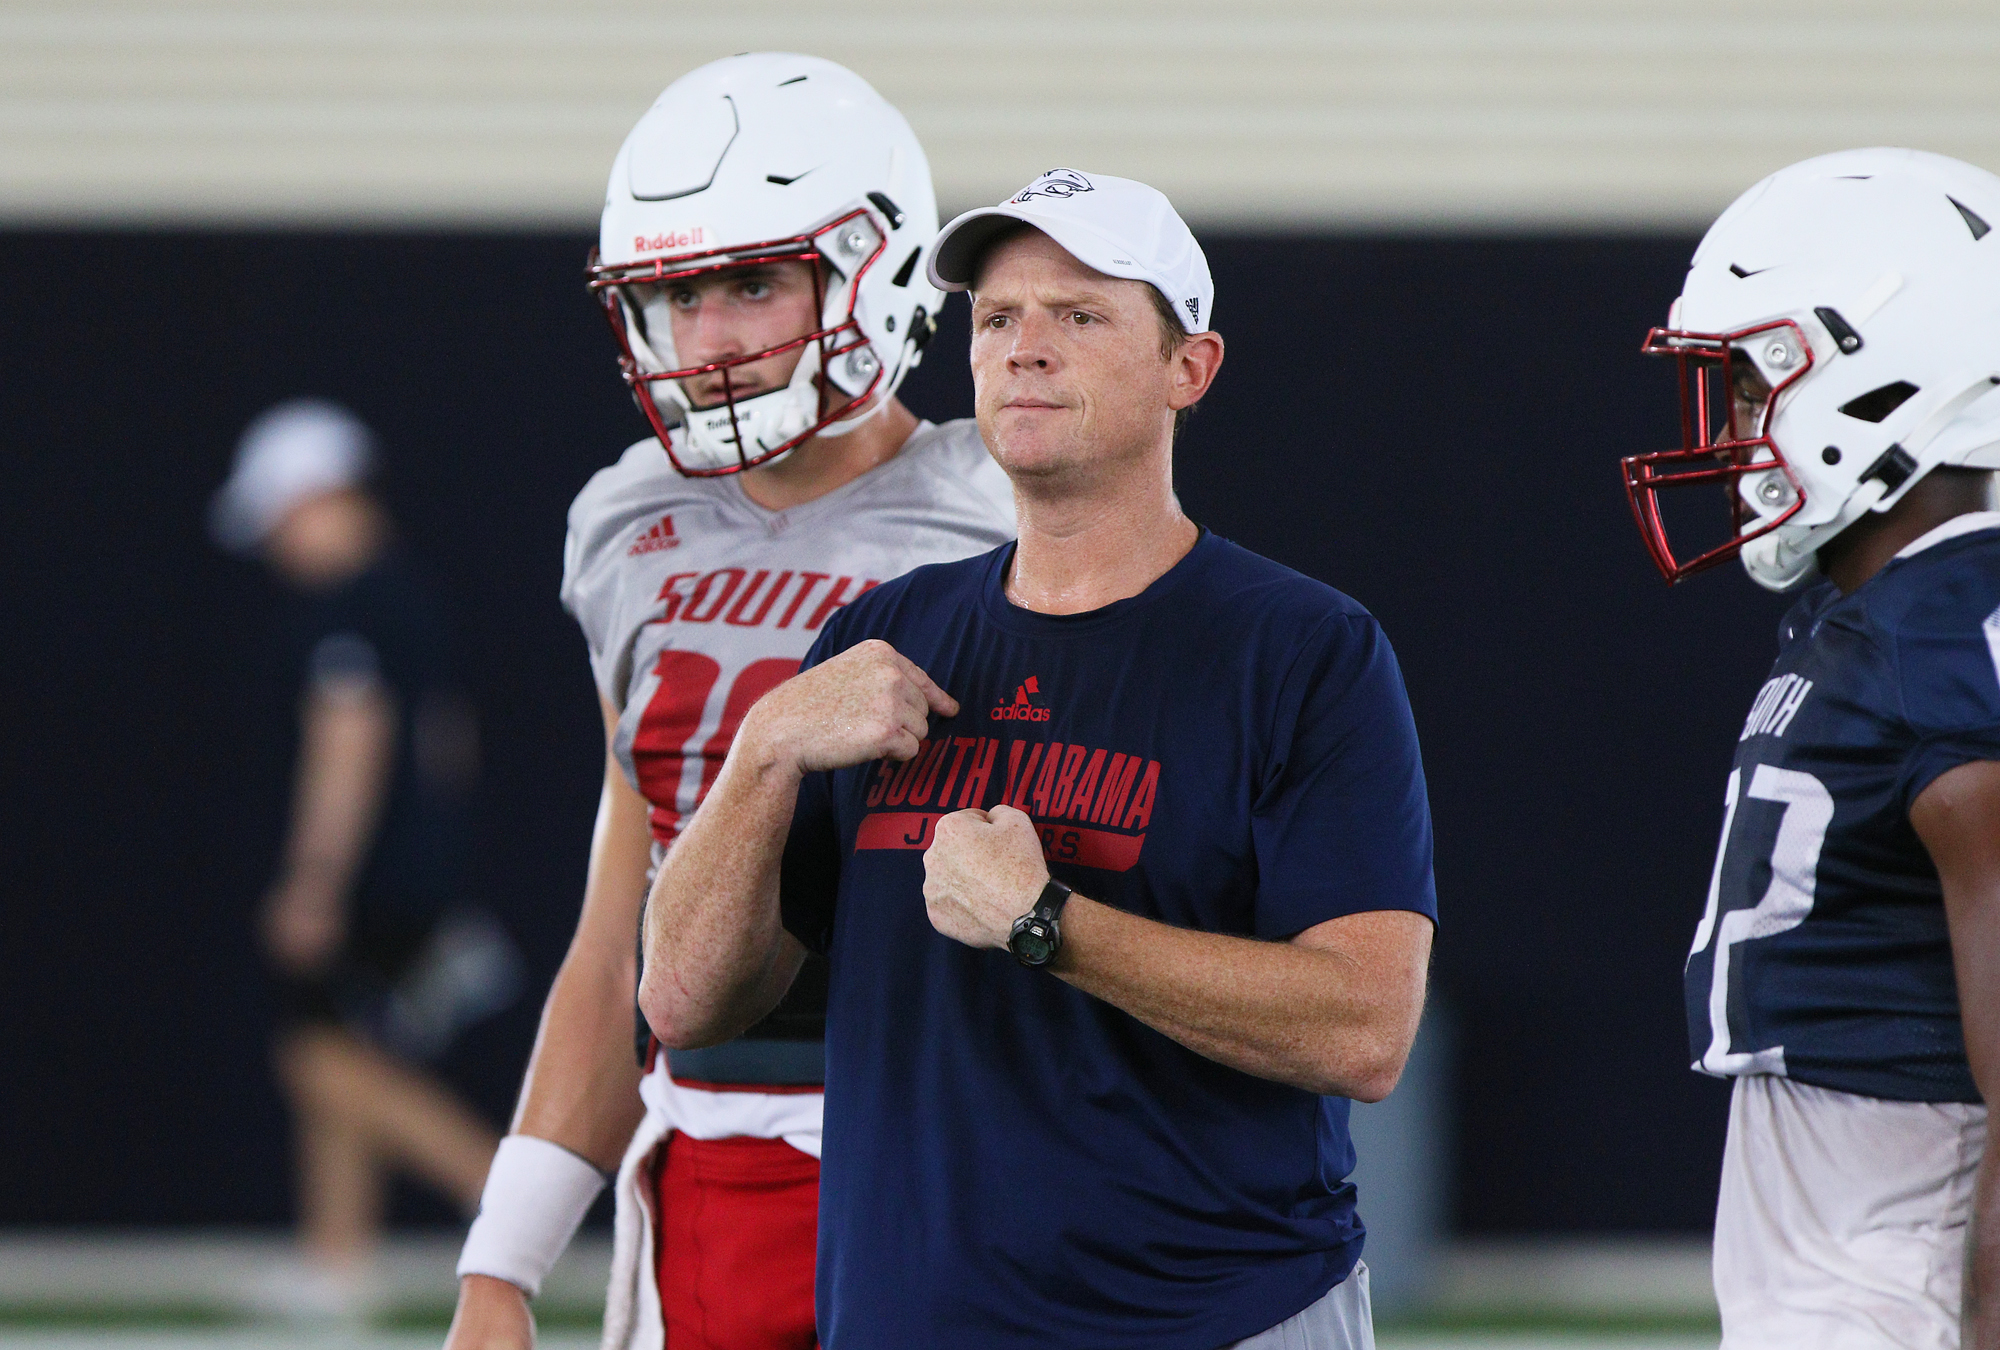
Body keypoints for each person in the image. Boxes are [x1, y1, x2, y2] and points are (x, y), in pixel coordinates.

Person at [642, 169, 1437, 1349]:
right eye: (997, 318)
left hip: (1214, 1320)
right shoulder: (876, 640)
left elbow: (1362, 1029)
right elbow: (684, 1001)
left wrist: (1045, 924)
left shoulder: (1302, 650)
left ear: (1189, 369)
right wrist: (762, 749)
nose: (1024, 349)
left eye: (1079, 315)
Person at [445, 54, 1015, 1350]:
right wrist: (506, 1261)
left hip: (960, 1149)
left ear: (874, 265)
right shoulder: (625, 517)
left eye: (754, 282)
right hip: (706, 1159)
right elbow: (621, 923)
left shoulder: (1009, 497)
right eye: (679, 295)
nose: (709, 340)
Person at [1620, 148, 2000, 1349]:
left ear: (1888, 374)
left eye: (1749, 381)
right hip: (1846, 1247)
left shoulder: (1945, 635)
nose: (1731, 426)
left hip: (1906, 1255)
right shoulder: (1882, 611)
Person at [211, 398, 512, 1316]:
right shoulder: (406, 597)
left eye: (278, 518)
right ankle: (337, 1261)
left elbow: (351, 743)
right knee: (330, 1049)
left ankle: (512, 1203)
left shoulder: (347, 609)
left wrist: (315, 880)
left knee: (323, 1061)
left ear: (318, 498)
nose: (273, 544)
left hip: (374, 878)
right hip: (414, 867)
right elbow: (454, 744)